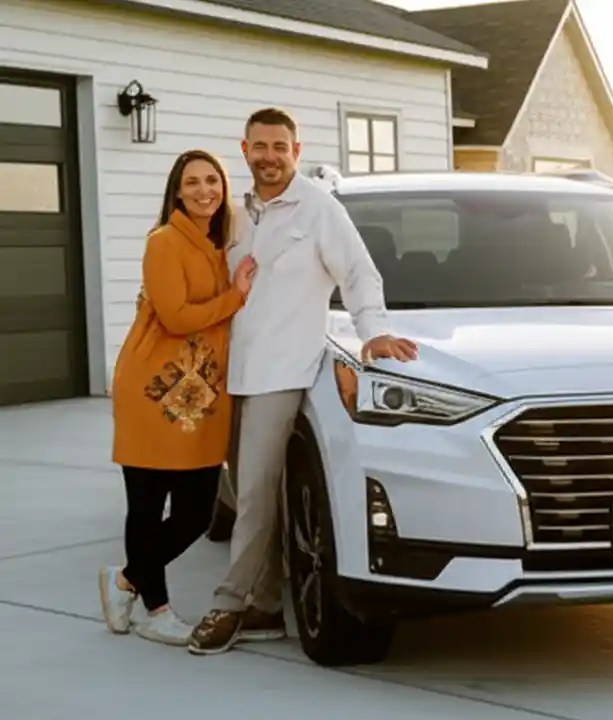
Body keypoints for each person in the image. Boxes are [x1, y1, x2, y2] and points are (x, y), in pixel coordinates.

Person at [188, 107, 417, 655]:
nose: (270, 156)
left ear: (296, 149)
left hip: (283, 369)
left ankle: (228, 602)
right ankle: (265, 609)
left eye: (280, 146)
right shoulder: (236, 212)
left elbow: (359, 273)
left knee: (255, 497)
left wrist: (375, 330)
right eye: (259, 146)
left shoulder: (319, 210)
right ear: (244, 150)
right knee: (250, 493)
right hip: (231, 373)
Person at [98, 150, 257, 645]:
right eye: (193, 182)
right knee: (146, 507)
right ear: (177, 190)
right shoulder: (164, 242)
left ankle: (124, 578)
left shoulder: (218, 246)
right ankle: (158, 610)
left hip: (200, 397)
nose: (204, 190)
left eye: (213, 180)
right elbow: (174, 317)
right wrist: (236, 296)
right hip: (153, 392)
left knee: (196, 513)